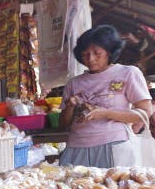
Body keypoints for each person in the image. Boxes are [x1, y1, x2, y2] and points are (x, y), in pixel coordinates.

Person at [60, 25, 153, 168]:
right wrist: (70, 106)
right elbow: (63, 124)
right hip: (76, 147)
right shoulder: (74, 83)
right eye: (85, 54)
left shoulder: (128, 73)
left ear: (109, 52)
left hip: (113, 145)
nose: (90, 59)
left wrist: (106, 113)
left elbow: (145, 113)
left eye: (97, 53)